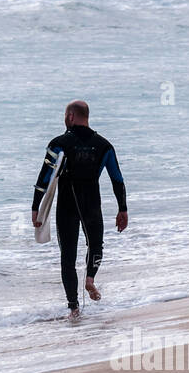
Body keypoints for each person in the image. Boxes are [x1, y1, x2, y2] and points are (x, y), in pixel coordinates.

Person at [31, 100, 128, 310]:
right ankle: (90, 279)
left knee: (68, 257)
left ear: (71, 116)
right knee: (95, 244)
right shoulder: (104, 146)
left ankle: (73, 308)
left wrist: (36, 207)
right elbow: (117, 180)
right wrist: (122, 209)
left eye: (66, 116)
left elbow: (44, 177)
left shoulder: (59, 143)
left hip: (67, 205)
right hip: (92, 203)